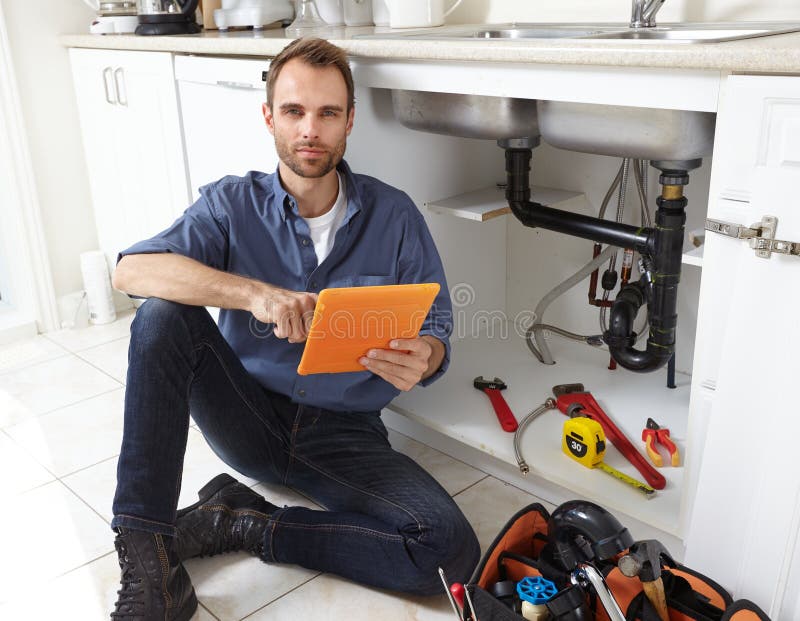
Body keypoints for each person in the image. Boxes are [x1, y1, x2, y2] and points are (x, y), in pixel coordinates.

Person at [108, 37, 480, 621]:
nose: (311, 129)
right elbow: (132, 269)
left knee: (447, 554)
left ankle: (246, 524)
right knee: (161, 314)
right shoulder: (231, 205)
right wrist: (252, 293)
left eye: (329, 113)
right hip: (246, 414)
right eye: (294, 111)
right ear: (269, 117)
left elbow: (435, 327)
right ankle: (148, 560)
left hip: (346, 436)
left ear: (350, 121)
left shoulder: (396, 215)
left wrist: (427, 355)